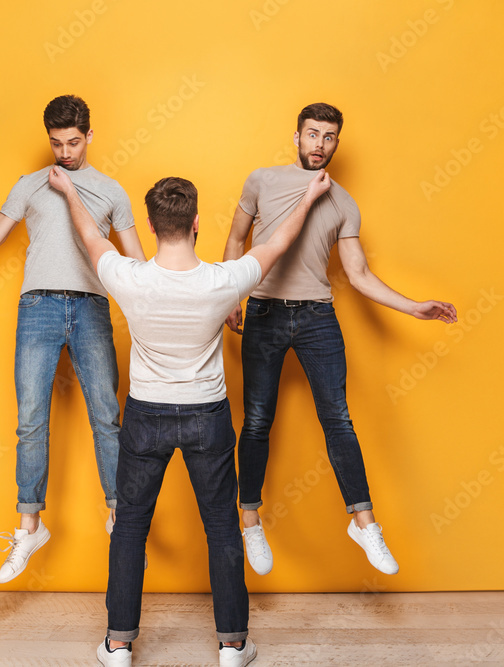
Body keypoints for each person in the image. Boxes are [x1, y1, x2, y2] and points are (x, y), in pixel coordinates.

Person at [48, 165, 331, 666]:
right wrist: (309, 196)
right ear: (197, 222)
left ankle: (117, 645)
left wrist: (69, 190)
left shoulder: (126, 276)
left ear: (152, 227)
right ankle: (233, 645)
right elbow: (278, 243)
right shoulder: (226, 279)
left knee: (130, 526)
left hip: (146, 416)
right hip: (207, 415)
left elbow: (91, 235)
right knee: (222, 527)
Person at [0, 95, 145, 584]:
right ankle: (29, 526)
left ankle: (122, 519)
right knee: (30, 419)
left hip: (90, 307)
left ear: (89, 135)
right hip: (38, 307)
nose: (65, 152)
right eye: (57, 143)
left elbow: (136, 266)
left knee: (107, 415)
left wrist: (156, 321)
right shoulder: (29, 186)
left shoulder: (110, 191)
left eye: (74, 142)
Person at [222, 102, 458, 577]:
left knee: (339, 419)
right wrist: (232, 294)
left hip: (317, 317)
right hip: (264, 313)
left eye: (329, 137)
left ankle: (364, 523)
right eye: (312, 135)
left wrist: (413, 306)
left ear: (336, 142)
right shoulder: (261, 181)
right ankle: (249, 520)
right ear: (297, 137)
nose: (320, 145)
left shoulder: (343, 202)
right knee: (257, 421)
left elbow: (359, 274)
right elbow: (235, 241)